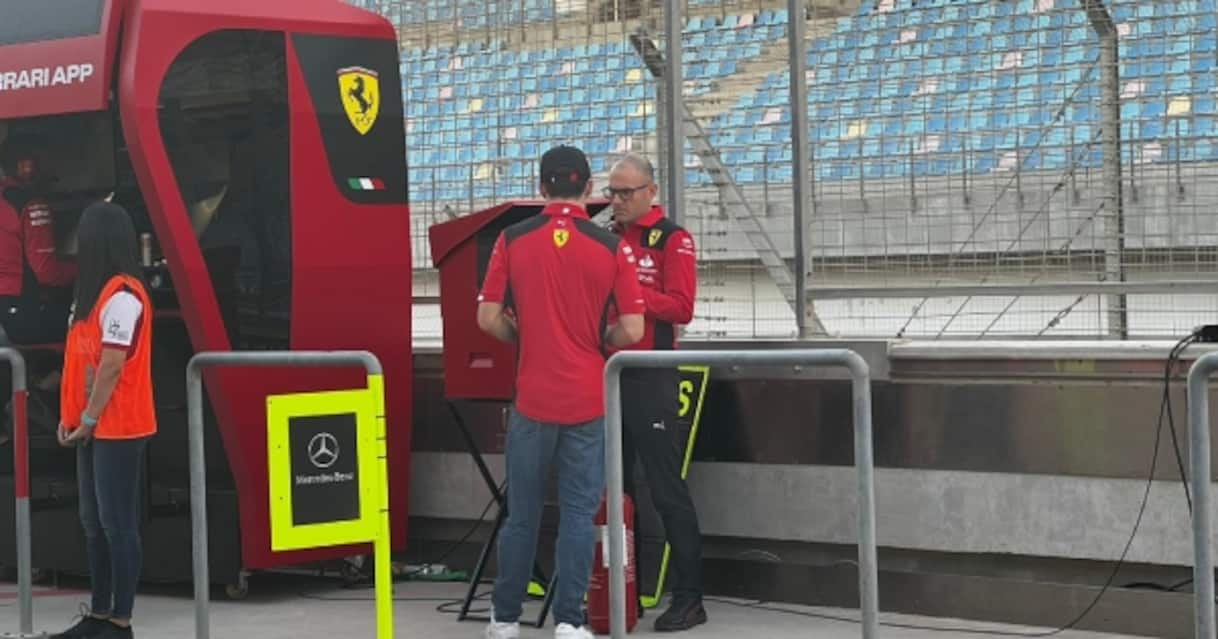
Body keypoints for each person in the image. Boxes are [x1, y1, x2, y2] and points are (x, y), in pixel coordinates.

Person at [478, 145, 646, 639]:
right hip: (587, 400)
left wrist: (524, 337)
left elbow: (487, 318)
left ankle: (505, 619)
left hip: (532, 397)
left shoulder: (512, 239)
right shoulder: (612, 247)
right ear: (589, 189)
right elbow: (633, 330)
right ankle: (569, 622)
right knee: (577, 515)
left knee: (522, 516)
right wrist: (597, 342)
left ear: (542, 188)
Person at [605, 154, 706, 632]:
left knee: (666, 489)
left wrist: (633, 298)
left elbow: (682, 308)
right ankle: (624, 591)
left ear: (651, 191)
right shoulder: (603, 236)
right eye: (613, 192)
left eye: (627, 192)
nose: (618, 201)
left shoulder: (672, 238)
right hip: (608, 375)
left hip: (653, 374)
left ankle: (690, 598)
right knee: (616, 492)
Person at [51, 202, 156, 639]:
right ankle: (98, 614)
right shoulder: (94, 297)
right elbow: (83, 364)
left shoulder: (123, 297)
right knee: (94, 524)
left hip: (117, 427)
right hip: (91, 427)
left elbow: (112, 366)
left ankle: (120, 620)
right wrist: (71, 417)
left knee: (117, 525)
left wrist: (89, 417)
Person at [0, 134, 77, 344]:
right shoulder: (32, 205)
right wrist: (83, 268)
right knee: (89, 324)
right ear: (24, 166)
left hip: (8, 311)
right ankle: (56, 376)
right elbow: (47, 273)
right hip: (23, 313)